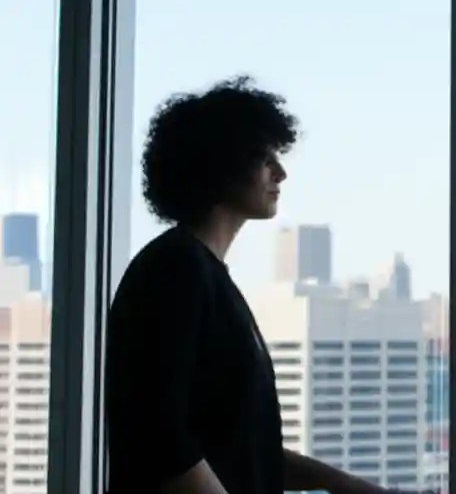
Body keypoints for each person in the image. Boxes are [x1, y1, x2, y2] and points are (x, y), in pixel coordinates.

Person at [107, 77, 414, 494]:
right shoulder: (176, 272)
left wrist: (344, 484)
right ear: (222, 165)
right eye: (264, 158)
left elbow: (244, 450)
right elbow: (165, 445)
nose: (280, 173)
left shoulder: (200, 273)